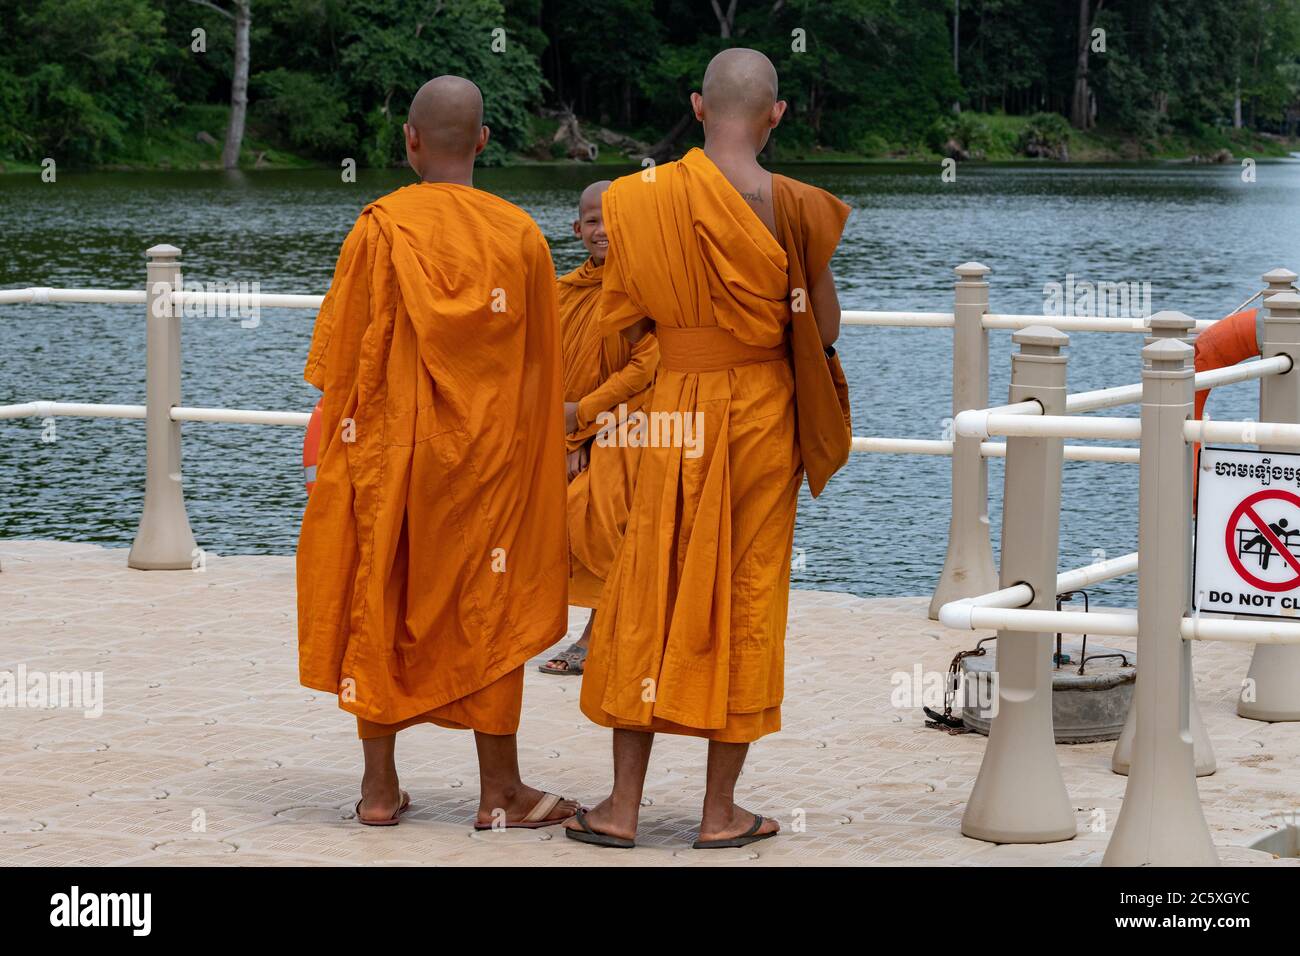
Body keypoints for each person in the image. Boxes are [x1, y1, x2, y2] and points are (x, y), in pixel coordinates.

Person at [566, 48, 850, 850]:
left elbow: (626, 319)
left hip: (673, 413)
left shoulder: (636, 198)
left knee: (647, 580)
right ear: (777, 113)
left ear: (696, 106)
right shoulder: (794, 204)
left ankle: (620, 809)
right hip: (760, 418)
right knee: (749, 590)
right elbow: (821, 329)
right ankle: (720, 813)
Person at [296, 75, 579, 829]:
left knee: (378, 595)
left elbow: (341, 366)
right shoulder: (518, 233)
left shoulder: (378, 228)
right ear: (483, 141)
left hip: (389, 455)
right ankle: (500, 791)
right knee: (489, 602)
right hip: (485, 460)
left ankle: (380, 791)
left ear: (409, 141)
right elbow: (541, 368)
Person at [540, 180, 660, 676]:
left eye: (614, 221)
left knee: (594, 502)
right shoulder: (564, 292)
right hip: (572, 426)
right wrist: (570, 436)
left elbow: (647, 366)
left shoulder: (644, 288)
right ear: (576, 228)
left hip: (635, 419)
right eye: (592, 221)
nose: (603, 230)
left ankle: (597, 632)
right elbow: (545, 366)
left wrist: (587, 421)